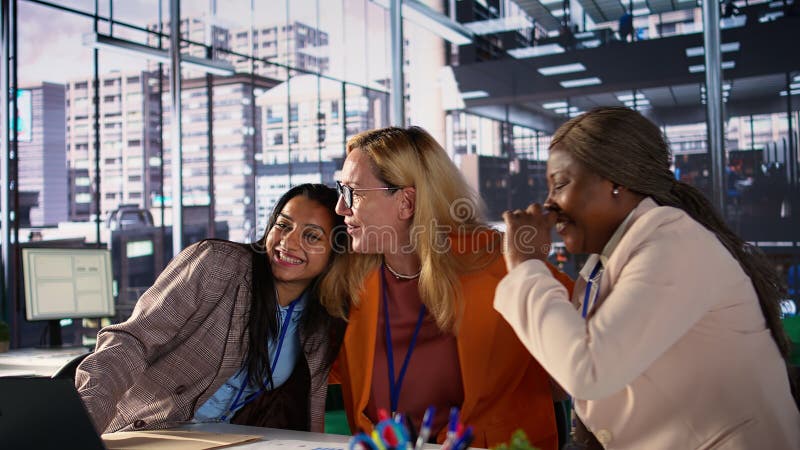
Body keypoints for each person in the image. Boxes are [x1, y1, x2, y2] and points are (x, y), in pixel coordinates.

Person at [495, 107, 800, 449]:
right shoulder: (601, 268)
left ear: (616, 182)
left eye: (560, 184)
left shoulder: (674, 245)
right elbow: (572, 376)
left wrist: (525, 266)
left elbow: (588, 370)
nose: (550, 205)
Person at [329, 126, 573, 450]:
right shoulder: (350, 278)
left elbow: (580, 357)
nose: (341, 208)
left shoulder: (498, 260)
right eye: (341, 190)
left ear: (406, 202)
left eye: (354, 193)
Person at [75, 184, 350, 434]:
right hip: (149, 430)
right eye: (283, 225)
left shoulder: (321, 321)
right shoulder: (216, 266)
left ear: (334, 252)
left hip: (225, 439)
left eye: (312, 236)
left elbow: (311, 410)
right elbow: (131, 342)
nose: (288, 242)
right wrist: (82, 425)